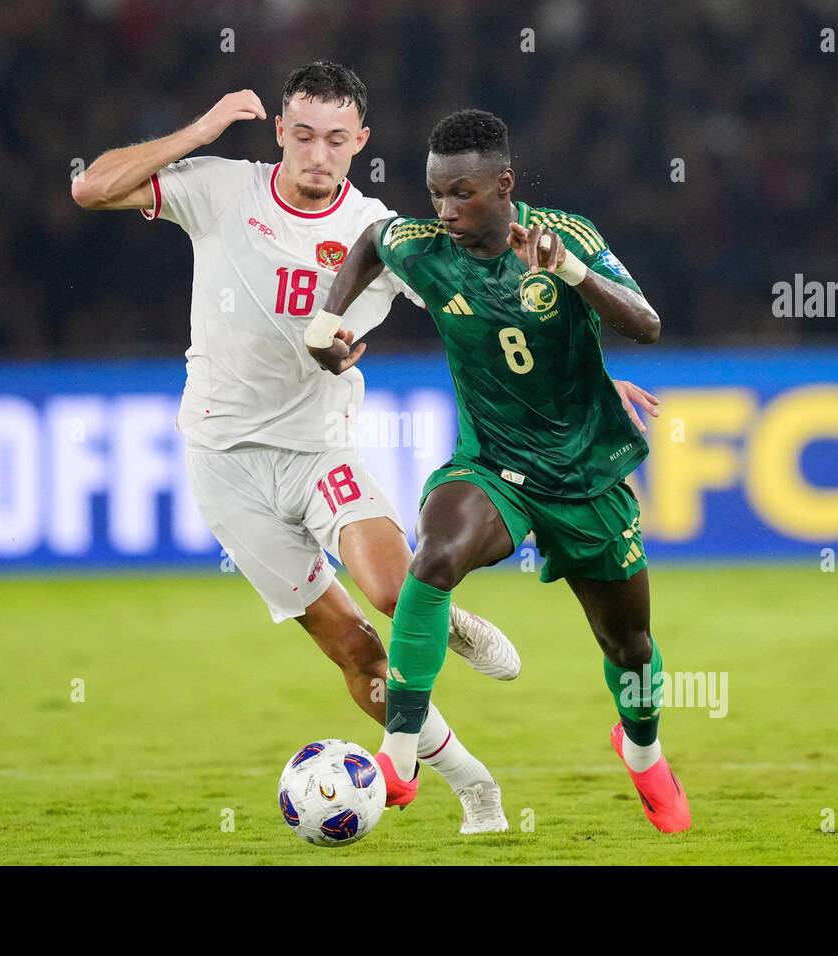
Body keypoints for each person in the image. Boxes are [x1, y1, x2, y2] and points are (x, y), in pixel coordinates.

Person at [72, 62, 534, 833]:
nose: (318, 155)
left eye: (336, 140)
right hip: (223, 463)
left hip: (322, 449)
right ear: (281, 132)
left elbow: (482, 307)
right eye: (304, 136)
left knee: (392, 593)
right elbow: (90, 189)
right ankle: (474, 786)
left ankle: (440, 617)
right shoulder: (221, 186)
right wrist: (200, 131)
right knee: (355, 653)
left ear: (361, 142)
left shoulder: (383, 233)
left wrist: (581, 372)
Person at [307, 108, 689, 833]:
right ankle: (397, 753)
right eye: (437, 194)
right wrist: (328, 319)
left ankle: (643, 753)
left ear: (503, 184)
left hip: (587, 477)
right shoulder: (423, 245)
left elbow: (647, 323)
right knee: (434, 561)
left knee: (628, 644)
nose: (446, 210)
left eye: (463, 193)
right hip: (492, 465)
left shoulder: (566, 237)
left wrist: (571, 273)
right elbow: (369, 240)